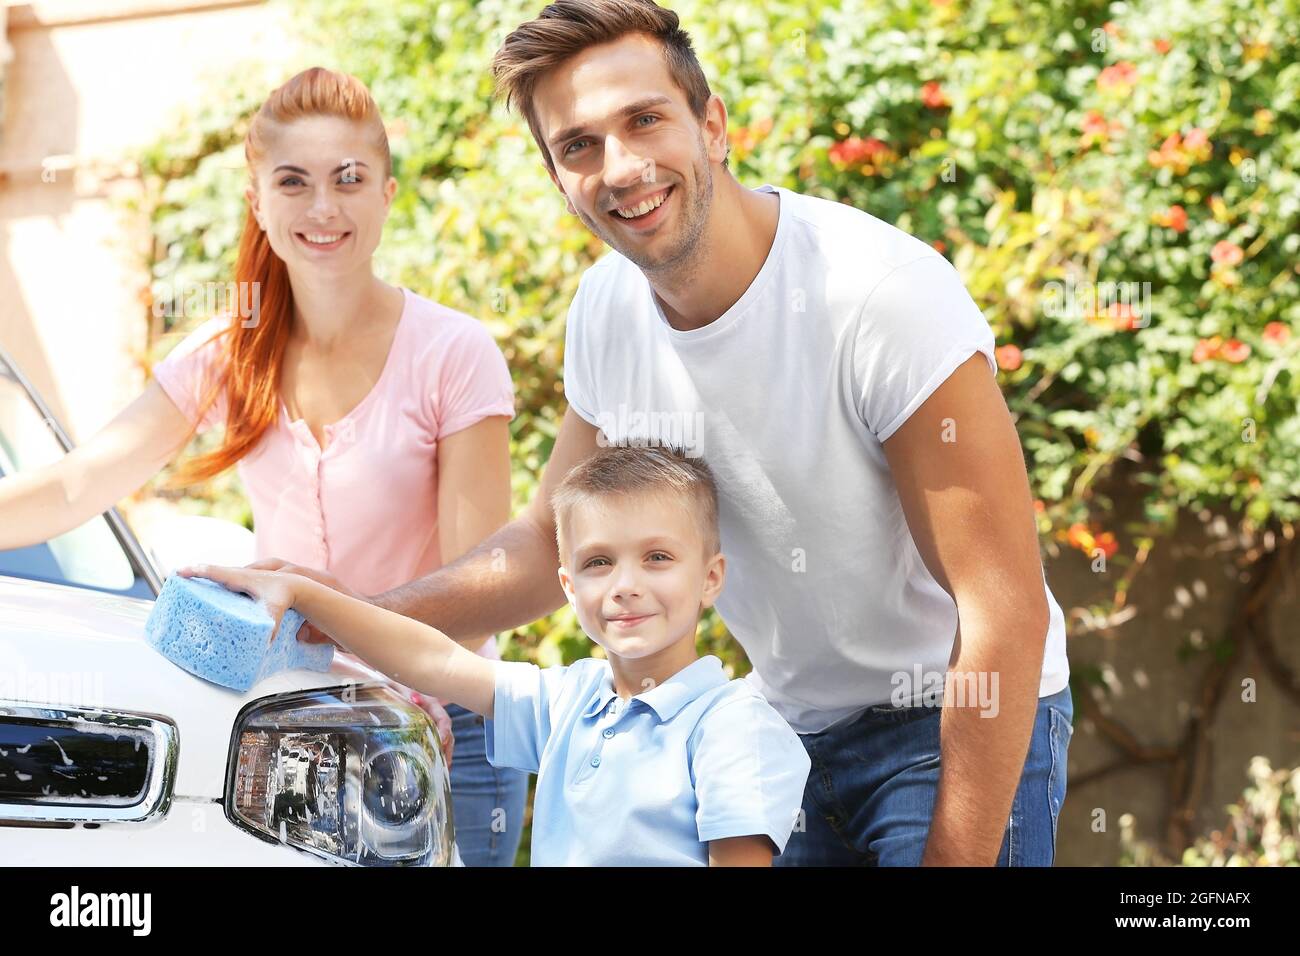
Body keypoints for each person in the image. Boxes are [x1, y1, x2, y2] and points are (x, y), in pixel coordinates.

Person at [262, 0, 1074, 865]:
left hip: (945, 717)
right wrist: (338, 615)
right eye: (577, 146)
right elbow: (545, 547)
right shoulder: (608, 314)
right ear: (556, 176)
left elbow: (1002, 610)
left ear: (713, 126)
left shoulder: (878, 296)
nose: (620, 167)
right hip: (785, 733)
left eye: (645, 120)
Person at [0, 67, 528, 867]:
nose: (323, 208)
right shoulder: (229, 351)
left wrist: (359, 644)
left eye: (349, 179)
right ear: (258, 202)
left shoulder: (454, 355)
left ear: (387, 191)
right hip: (304, 726)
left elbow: (481, 589)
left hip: (451, 727)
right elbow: (80, 482)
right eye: (294, 182)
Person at [179, 444, 811, 866]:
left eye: (658, 557)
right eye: (598, 562)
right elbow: (436, 661)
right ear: (568, 587)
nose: (625, 584)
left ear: (711, 577)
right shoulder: (573, 700)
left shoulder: (734, 726)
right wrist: (304, 594)